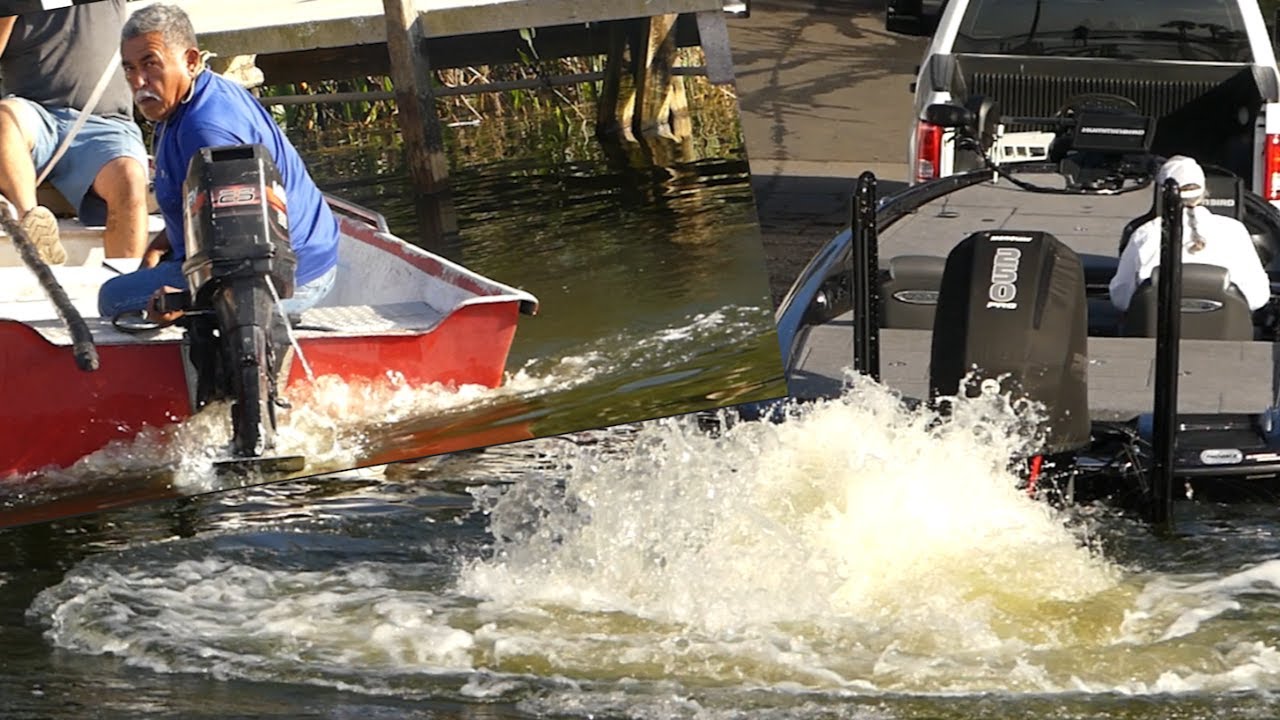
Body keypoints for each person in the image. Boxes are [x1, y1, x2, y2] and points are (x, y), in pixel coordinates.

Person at [97, 3, 339, 320]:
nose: (139, 81)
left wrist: (187, 302)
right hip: (271, 249)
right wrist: (159, 245)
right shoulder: (189, 98)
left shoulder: (206, 132)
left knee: (112, 298)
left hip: (287, 276)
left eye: (150, 64)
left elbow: (245, 255)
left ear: (191, 61)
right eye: (129, 68)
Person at [0, 0, 150, 264]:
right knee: (3, 119)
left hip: (105, 123)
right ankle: (33, 222)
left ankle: (126, 293)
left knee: (130, 178)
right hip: (34, 116)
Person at [1109, 155, 1271, 313]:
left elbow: (1121, 298)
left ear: (1162, 193)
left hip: (1152, 336)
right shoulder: (1235, 231)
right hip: (1229, 337)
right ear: (1204, 191)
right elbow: (1258, 297)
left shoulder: (1145, 233)